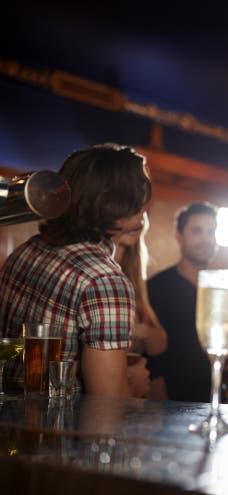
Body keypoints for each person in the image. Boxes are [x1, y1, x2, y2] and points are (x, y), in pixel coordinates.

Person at [0, 143, 151, 397]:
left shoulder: (28, 250)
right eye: (140, 188)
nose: (145, 200)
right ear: (116, 205)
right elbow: (107, 407)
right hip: (55, 432)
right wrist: (133, 390)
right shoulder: (105, 280)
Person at [147, 202, 218, 402]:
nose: (205, 239)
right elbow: (151, 356)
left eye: (211, 231)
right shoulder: (156, 287)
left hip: (213, 402)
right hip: (169, 405)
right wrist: (160, 406)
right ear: (179, 236)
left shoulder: (221, 289)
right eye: (197, 231)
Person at [112, 212, 167, 359]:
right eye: (129, 210)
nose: (139, 219)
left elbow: (161, 343)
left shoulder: (133, 276)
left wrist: (141, 331)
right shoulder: (96, 270)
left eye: (141, 211)